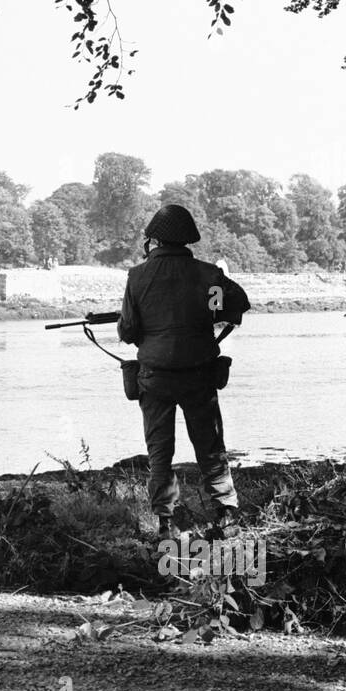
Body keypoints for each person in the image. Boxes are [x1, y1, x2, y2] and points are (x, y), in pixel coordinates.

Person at [117, 204, 250, 536]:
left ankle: (164, 521)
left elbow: (128, 331)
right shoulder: (210, 277)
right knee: (210, 445)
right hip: (199, 377)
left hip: (155, 378)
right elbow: (231, 307)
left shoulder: (137, 277)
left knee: (160, 451)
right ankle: (226, 513)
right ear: (187, 239)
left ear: (155, 240)